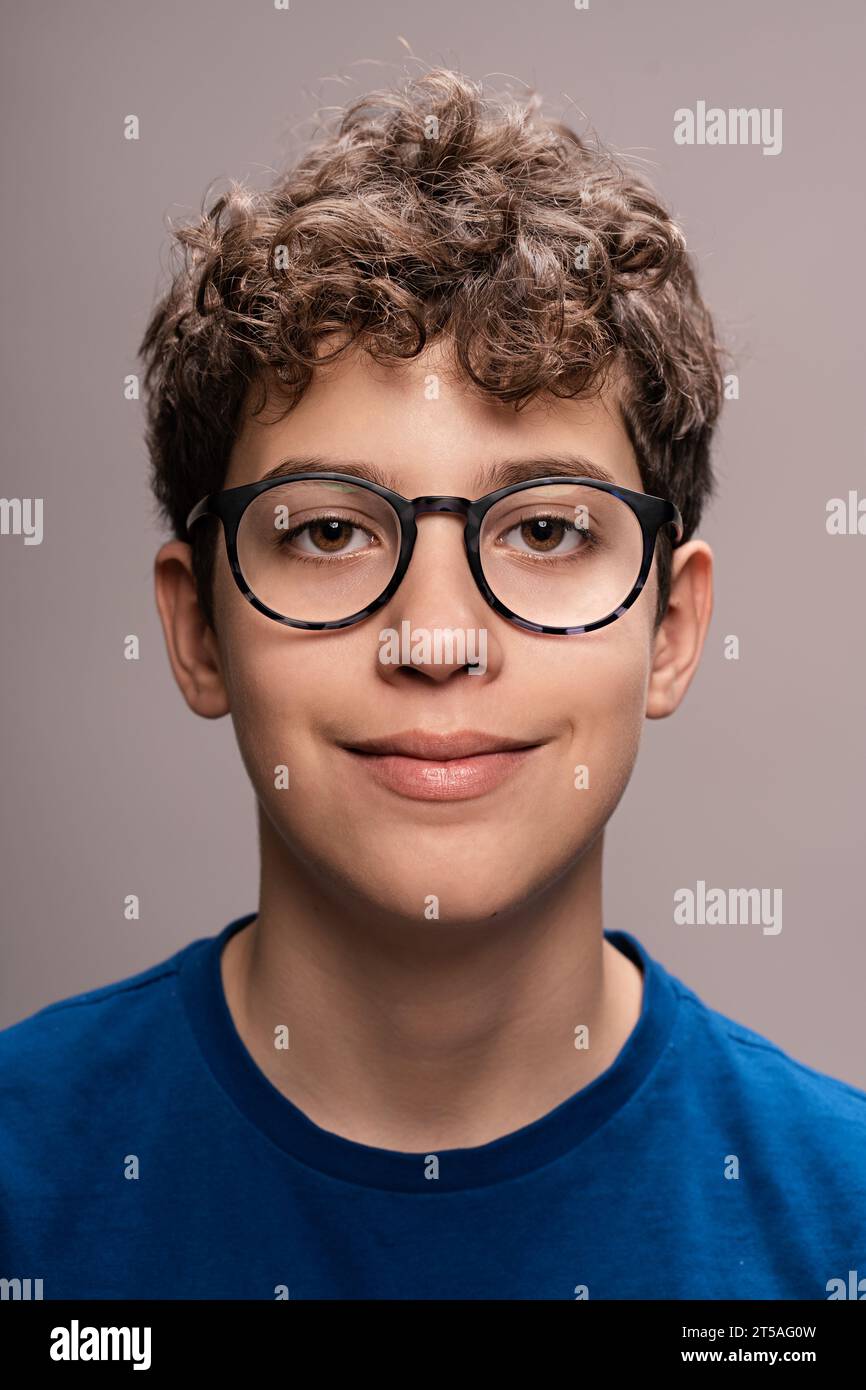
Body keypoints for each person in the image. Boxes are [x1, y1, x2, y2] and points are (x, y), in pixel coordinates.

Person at [1, 67, 864, 1301]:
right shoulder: (25, 1192)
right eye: (327, 531)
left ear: (671, 626)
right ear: (195, 628)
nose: (437, 639)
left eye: (548, 530)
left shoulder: (840, 1229)